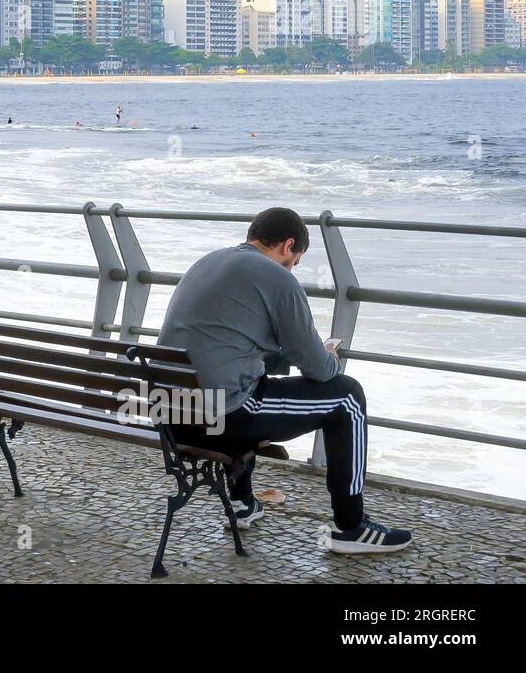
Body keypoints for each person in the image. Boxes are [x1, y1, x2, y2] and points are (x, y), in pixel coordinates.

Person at [158, 207, 412, 553]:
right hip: (223, 418)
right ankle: (350, 527)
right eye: (296, 261)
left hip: (173, 416)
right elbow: (319, 371)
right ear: (289, 245)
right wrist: (331, 358)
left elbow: (228, 349)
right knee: (348, 397)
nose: (293, 268)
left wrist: (288, 358)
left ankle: (242, 503)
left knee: (245, 384)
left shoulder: (208, 263)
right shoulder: (277, 277)